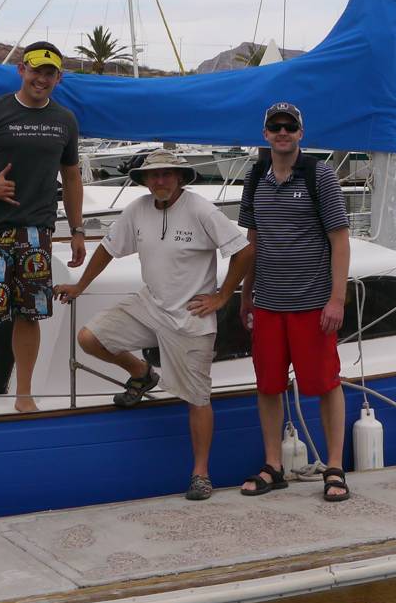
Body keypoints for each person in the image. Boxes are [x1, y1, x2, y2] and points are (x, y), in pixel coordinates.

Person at [56, 148, 252, 500]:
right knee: (89, 338)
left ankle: (201, 474)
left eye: (166, 174)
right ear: (145, 181)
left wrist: (223, 296)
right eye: (153, 175)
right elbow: (108, 248)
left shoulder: (201, 209)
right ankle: (143, 373)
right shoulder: (137, 209)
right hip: (151, 305)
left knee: (197, 398)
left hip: (192, 317)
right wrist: (79, 285)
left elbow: (244, 251)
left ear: (179, 178)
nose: (159, 180)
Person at [199, 101, 352, 502]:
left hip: (312, 304)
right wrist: (246, 296)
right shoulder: (255, 179)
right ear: (265, 134)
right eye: (275, 126)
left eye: (289, 126)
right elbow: (252, 241)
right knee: (268, 386)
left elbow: (340, 240)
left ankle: (334, 467)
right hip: (267, 304)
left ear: (301, 133)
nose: (282, 132)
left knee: (325, 384)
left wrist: (337, 299)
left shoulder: (320, 176)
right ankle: (274, 466)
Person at [0, 41, 86, 423]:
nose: (42, 79)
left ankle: (24, 395)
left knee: (30, 315)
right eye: (36, 70)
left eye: (50, 73)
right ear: (21, 70)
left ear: (58, 77)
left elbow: (71, 176)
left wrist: (77, 229)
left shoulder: (64, 120)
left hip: (37, 233)